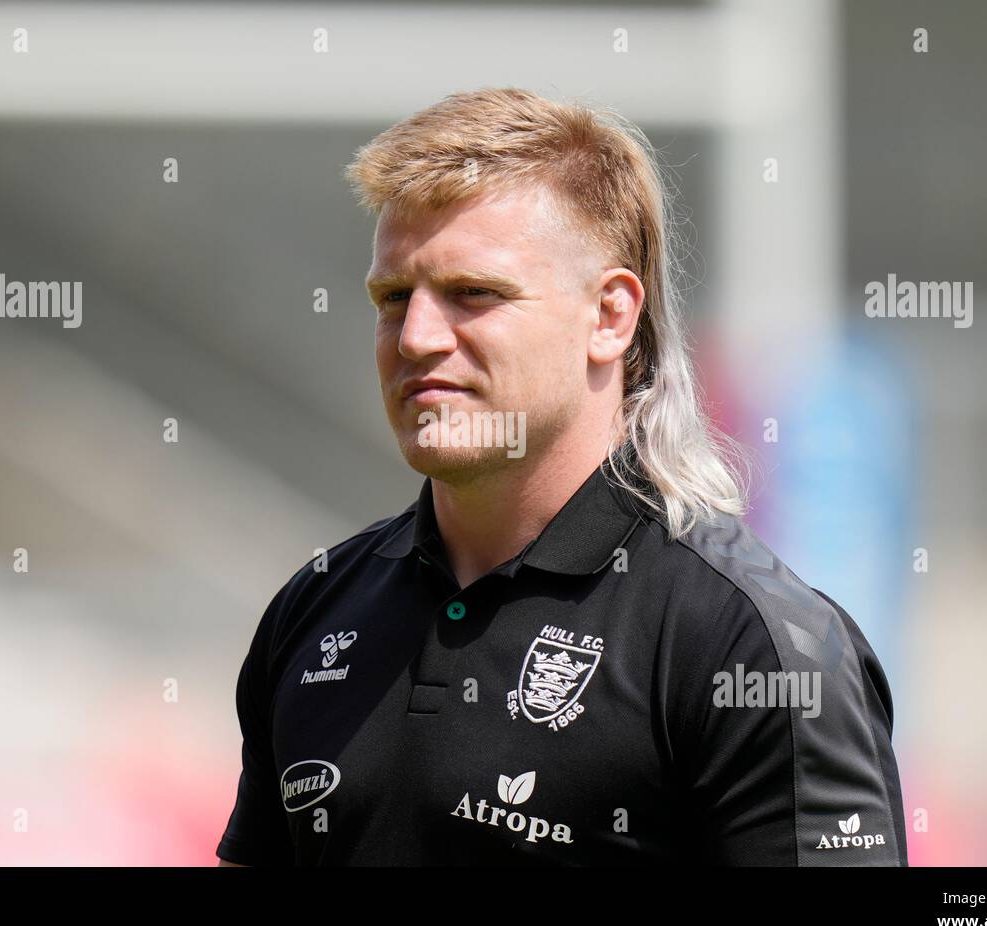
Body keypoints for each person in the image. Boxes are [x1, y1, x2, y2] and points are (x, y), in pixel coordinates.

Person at [216, 87, 908, 866]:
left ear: (611, 317)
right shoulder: (313, 610)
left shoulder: (751, 647)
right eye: (392, 298)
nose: (414, 337)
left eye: (473, 294)